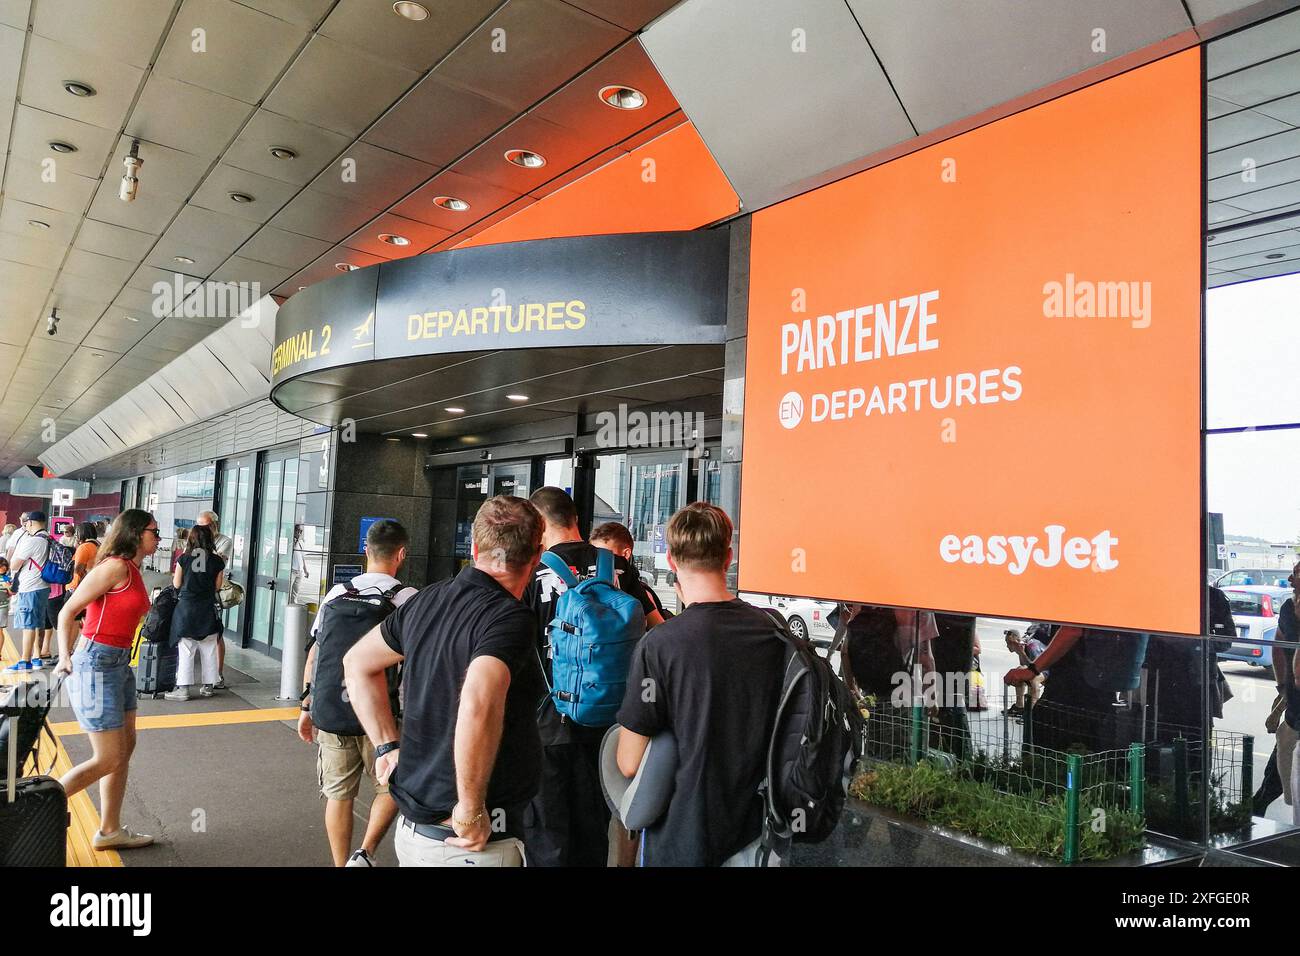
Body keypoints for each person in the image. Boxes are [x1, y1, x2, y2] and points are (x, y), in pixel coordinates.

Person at [343, 495, 545, 867]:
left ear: (473, 547)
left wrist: (387, 746)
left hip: (419, 830)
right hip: (468, 845)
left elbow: (357, 663)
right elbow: (478, 702)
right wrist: (469, 808)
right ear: (537, 555)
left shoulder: (427, 600)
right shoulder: (509, 619)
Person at [615, 502, 788, 866]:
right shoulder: (772, 632)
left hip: (681, 837)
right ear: (728, 557)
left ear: (673, 562)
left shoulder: (661, 644)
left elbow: (629, 762)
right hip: (757, 832)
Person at [524, 487, 664, 868]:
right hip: (610, 724)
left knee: (547, 834)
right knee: (593, 829)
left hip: (548, 723)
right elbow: (657, 630)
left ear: (540, 525)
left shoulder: (533, 572)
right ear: (575, 520)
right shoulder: (617, 566)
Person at [298, 518, 417, 867]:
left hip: (332, 710)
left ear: (366, 550)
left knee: (338, 795)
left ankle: (340, 864)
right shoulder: (407, 599)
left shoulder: (337, 593)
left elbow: (317, 653)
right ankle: (364, 854)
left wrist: (308, 703)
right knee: (394, 787)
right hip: (381, 714)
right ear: (402, 554)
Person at [54, 509, 160, 851]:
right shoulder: (113, 567)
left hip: (118, 665)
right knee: (109, 757)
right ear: (134, 533)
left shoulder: (132, 568)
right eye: (153, 532)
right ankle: (30, 806)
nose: (158, 538)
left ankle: (109, 829)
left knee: (124, 750)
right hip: (96, 664)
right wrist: (64, 656)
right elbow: (68, 611)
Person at [164, 524, 226, 701]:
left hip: (187, 608)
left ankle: (183, 689)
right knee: (209, 648)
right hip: (207, 607)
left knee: (186, 649)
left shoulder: (184, 559)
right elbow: (218, 586)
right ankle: (208, 686)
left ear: (191, 539)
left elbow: (176, 584)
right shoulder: (217, 561)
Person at [590, 520, 669, 620]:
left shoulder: (640, 592)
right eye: (595, 555)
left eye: (605, 556)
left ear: (626, 554)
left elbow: (656, 625)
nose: (598, 561)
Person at [4, 511, 52, 672]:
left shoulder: (32, 541)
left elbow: (14, 565)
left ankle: (25, 661)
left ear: (30, 523)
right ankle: (36, 658)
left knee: (28, 625)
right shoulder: (48, 538)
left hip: (30, 586)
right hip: (43, 587)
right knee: (36, 623)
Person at [195, 511, 233, 689]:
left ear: (214, 525)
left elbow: (218, 563)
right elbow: (195, 566)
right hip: (195, 593)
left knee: (215, 634)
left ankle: (218, 674)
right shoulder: (195, 541)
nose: (203, 530)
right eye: (200, 526)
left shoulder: (224, 541)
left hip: (212, 593)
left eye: (207, 526)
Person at [1004, 628, 1046, 715]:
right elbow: (1025, 666)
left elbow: (1037, 667)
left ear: (1016, 640)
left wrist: (1022, 652)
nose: (1007, 646)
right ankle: (1019, 706)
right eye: (1007, 643)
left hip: (1047, 669)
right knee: (1019, 671)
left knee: (1034, 680)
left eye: (1009, 643)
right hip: (1036, 668)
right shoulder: (1021, 646)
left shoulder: (1031, 645)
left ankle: (1031, 713)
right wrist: (1020, 652)